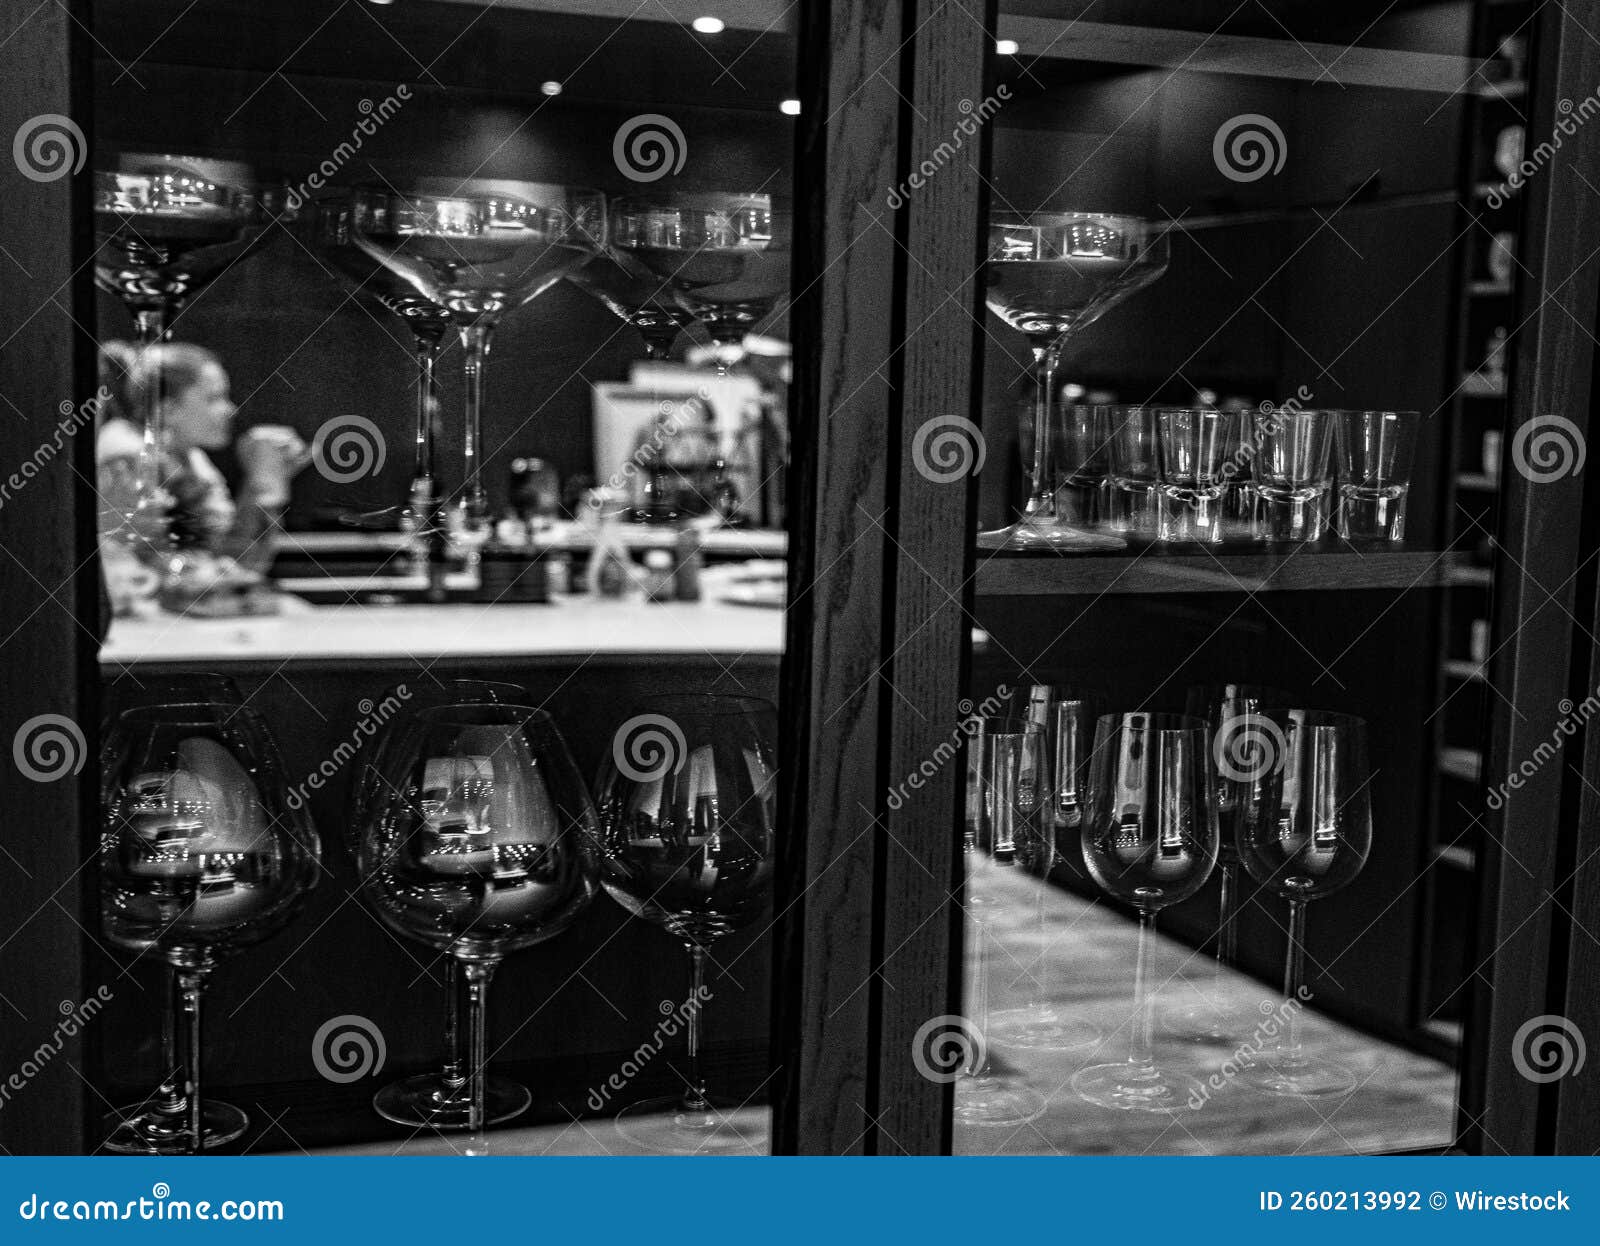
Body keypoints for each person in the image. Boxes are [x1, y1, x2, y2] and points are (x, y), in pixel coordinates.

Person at [97, 341, 309, 613]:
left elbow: (239, 562)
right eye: (213, 398)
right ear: (167, 409)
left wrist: (262, 487)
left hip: (185, 609)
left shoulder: (194, 461)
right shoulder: (128, 457)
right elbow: (131, 576)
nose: (229, 409)